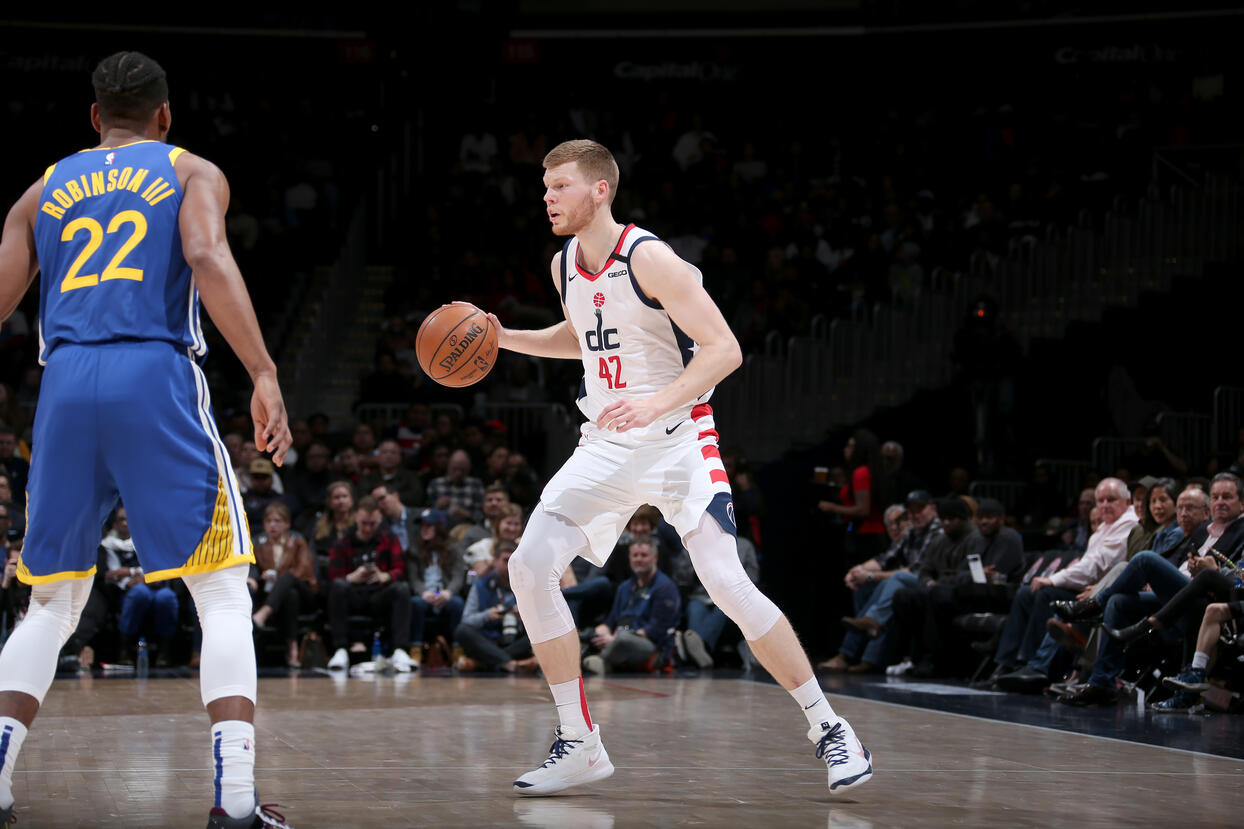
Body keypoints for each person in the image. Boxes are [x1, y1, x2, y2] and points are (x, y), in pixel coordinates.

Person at [479, 139, 871, 796]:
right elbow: (583, 336)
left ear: (600, 189)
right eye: (544, 187)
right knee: (528, 565)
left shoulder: (649, 257)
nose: (547, 197)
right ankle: (579, 741)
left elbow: (725, 349)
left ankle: (831, 727)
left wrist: (654, 402)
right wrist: (505, 338)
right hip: (606, 443)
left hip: (677, 437)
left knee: (726, 581)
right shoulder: (563, 264)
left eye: (561, 185)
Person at [0, 52, 293, 829]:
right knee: (221, 590)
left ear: (95, 116)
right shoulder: (191, 169)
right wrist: (263, 371)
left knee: (51, 601)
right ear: (165, 115)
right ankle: (235, 800)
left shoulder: (42, 189)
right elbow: (204, 253)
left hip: (63, 383)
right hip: (152, 372)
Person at [324, 497, 415, 673]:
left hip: (379, 595)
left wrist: (385, 576)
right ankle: (340, 650)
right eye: (364, 523)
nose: (367, 528)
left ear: (380, 520)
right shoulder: (343, 542)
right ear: (356, 518)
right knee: (338, 586)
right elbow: (332, 579)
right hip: (353, 595)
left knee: (402, 589)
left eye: (372, 524)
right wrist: (351, 577)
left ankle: (400, 650)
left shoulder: (389, 538)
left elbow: (401, 571)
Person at [583, 540, 681, 674]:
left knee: (624, 640)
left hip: (648, 643)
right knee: (588, 634)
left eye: (644, 555)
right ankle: (602, 661)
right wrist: (601, 632)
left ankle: (601, 661)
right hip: (617, 638)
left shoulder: (665, 587)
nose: (638, 559)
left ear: (655, 558)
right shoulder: (624, 587)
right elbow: (611, 621)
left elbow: (656, 629)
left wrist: (614, 639)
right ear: (629, 558)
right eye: (635, 555)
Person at [250, 503, 317, 668]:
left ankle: (262, 615)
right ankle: (292, 646)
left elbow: (304, 569)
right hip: (276, 594)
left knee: (288, 580)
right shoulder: (257, 543)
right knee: (290, 595)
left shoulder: (297, 541)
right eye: (269, 521)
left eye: (277, 521)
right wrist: (260, 578)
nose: (272, 525)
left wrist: (280, 580)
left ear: (287, 524)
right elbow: (252, 568)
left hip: (303, 589)